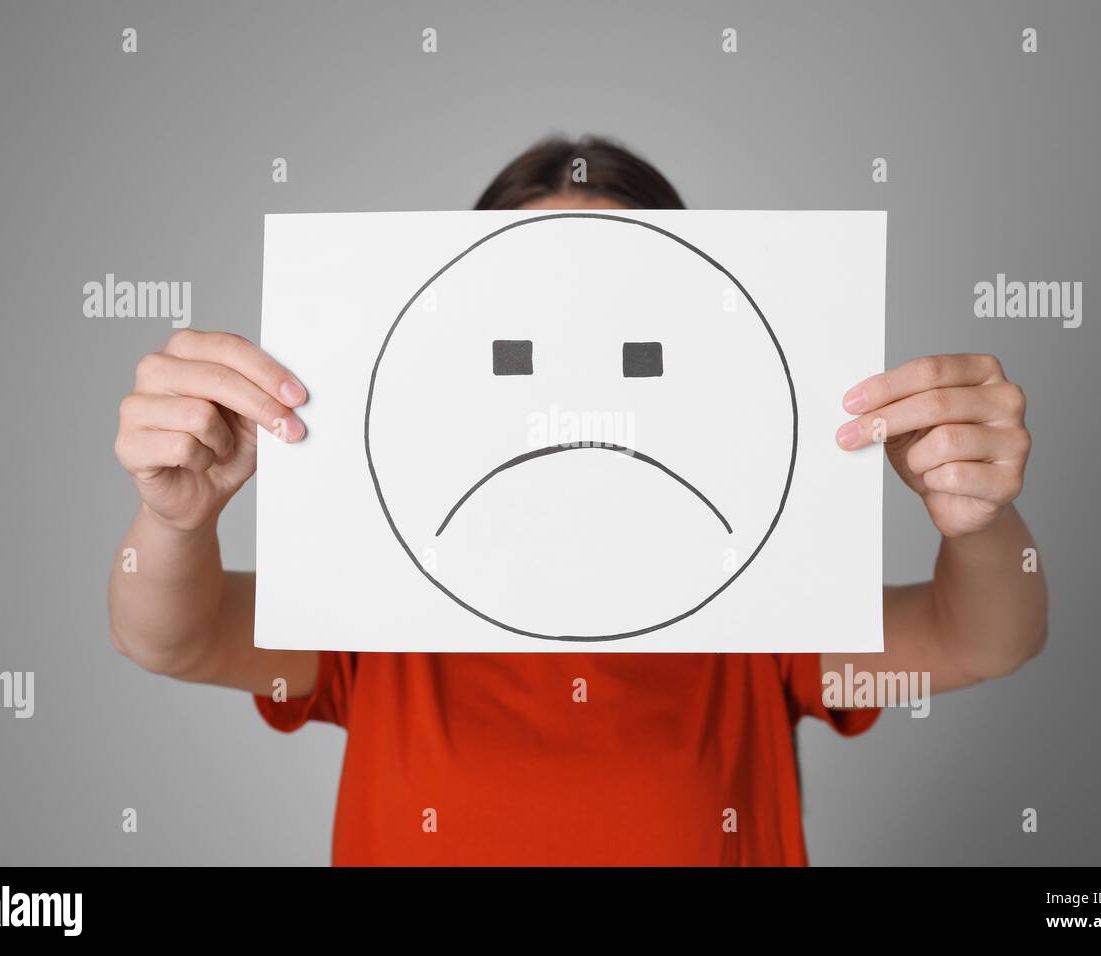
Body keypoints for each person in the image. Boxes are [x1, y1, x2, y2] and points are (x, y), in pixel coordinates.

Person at [108, 135, 1046, 865]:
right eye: (520, 346)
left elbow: (984, 640)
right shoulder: (382, 596)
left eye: (628, 340)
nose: (569, 394)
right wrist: (174, 519)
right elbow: (172, 638)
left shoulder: (749, 590)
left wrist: (980, 524)